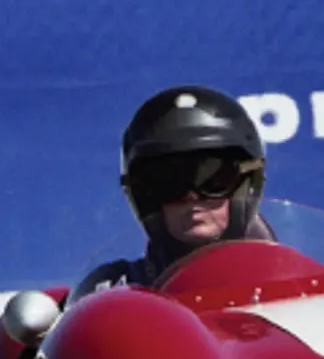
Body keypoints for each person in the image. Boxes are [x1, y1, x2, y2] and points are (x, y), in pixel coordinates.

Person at [72, 85, 274, 301]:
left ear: (247, 184)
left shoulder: (289, 278)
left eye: (215, 180)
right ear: (144, 197)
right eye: (169, 182)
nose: (191, 196)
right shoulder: (114, 293)